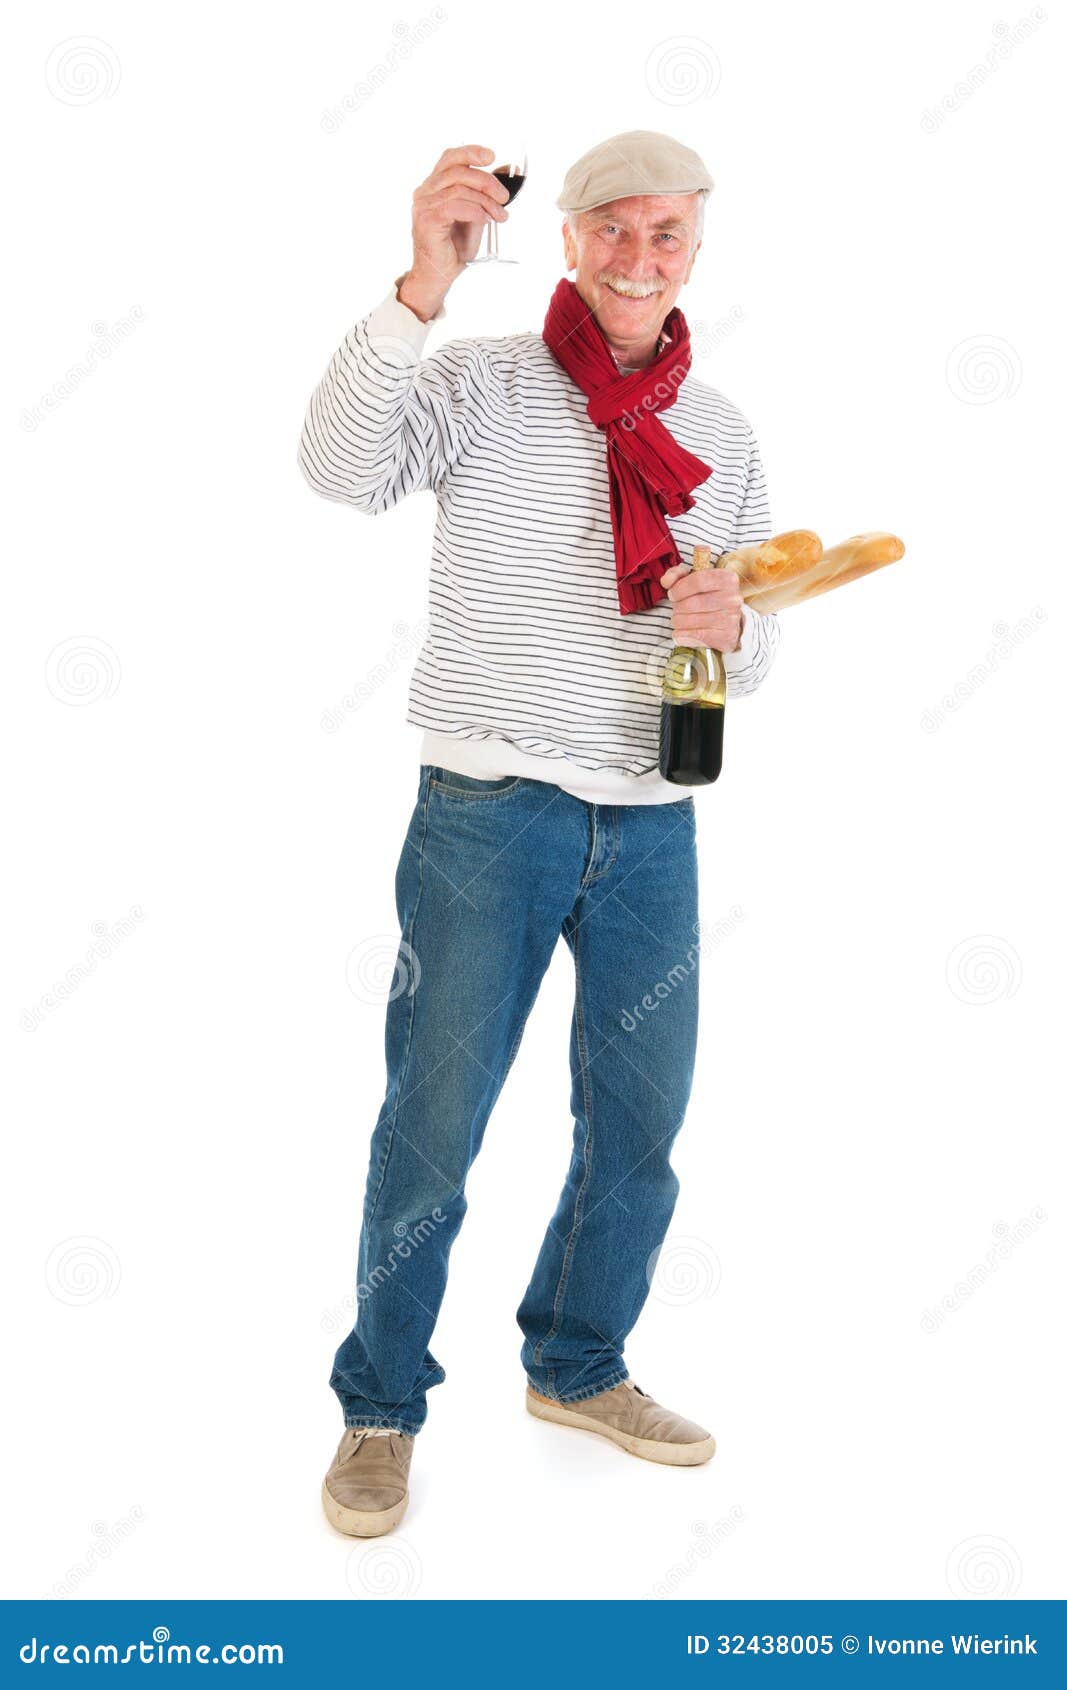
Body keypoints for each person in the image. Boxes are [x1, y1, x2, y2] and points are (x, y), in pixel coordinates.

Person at [299, 130, 781, 1537]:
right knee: (434, 1126)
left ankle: (579, 1365)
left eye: (669, 236)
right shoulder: (481, 379)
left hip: (652, 830)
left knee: (640, 1128)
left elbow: (752, 663)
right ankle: (380, 1406)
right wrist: (418, 288)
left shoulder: (728, 433)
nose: (642, 257)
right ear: (568, 238)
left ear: (697, 250)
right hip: (484, 817)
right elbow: (337, 470)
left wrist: (732, 626)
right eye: (615, 230)